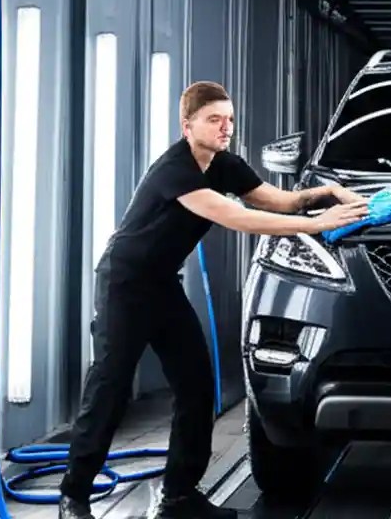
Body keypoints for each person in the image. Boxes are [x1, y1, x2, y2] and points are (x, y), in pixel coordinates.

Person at [58, 81, 370, 519]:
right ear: (187, 126)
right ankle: (73, 497)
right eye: (214, 120)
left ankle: (179, 496)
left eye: (229, 120)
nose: (226, 128)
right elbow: (237, 217)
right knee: (109, 388)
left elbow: (279, 201)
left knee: (197, 386)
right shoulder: (176, 170)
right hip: (124, 286)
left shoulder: (224, 165)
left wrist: (329, 193)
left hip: (163, 284)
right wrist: (318, 226)